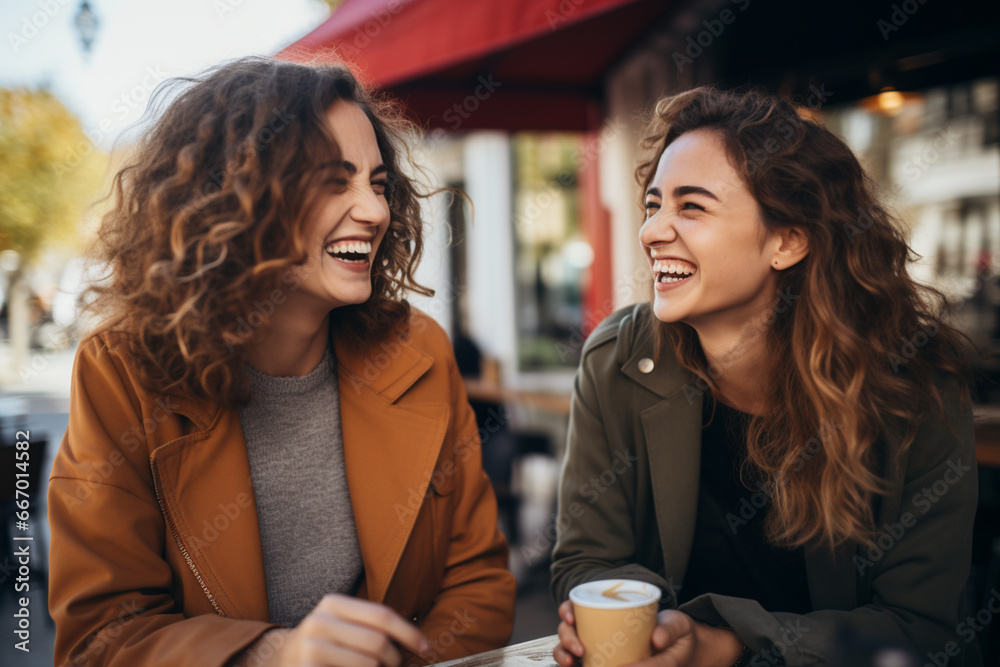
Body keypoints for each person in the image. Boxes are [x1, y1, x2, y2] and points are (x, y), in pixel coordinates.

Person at [47, 56, 515, 667]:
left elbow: (478, 583)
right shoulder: (121, 373)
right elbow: (98, 639)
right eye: (333, 180)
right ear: (233, 200)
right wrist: (274, 656)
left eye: (378, 183)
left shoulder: (418, 351)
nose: (374, 211)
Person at [550, 86, 980, 667]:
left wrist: (730, 642)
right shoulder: (618, 358)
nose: (652, 232)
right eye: (653, 205)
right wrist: (648, 629)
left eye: (692, 206)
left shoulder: (913, 387)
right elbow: (584, 561)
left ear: (788, 240)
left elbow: (921, 631)